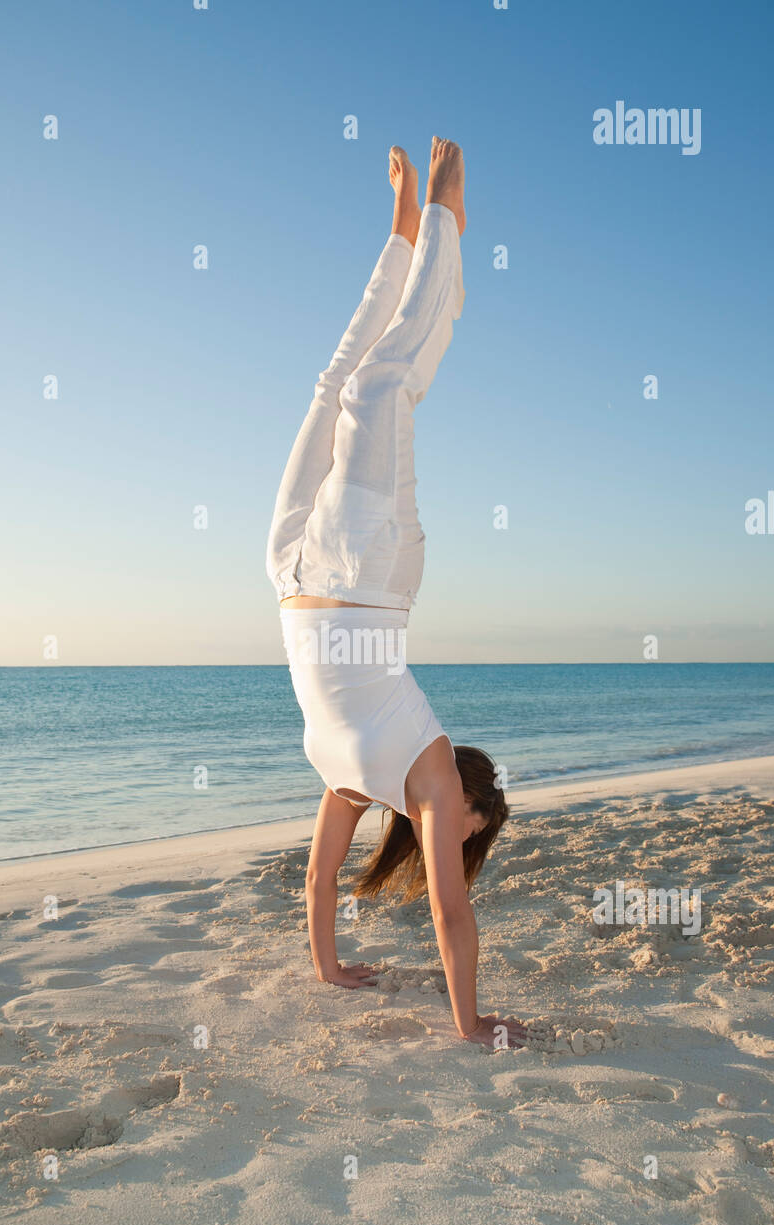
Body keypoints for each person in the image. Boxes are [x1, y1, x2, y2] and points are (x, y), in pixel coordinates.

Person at [266, 138, 525, 1050]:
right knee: (381, 390)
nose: (453, 842)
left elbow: (317, 882)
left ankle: (402, 234)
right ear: (465, 798)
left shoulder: (353, 781)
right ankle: (441, 223)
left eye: (459, 838)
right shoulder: (424, 757)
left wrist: (329, 968)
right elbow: (454, 921)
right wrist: (473, 1023)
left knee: (336, 382)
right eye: (470, 826)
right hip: (369, 571)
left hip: (292, 571)